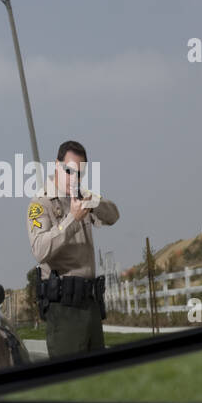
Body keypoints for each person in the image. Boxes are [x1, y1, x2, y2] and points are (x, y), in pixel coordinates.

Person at [26, 140, 119, 358]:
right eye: (69, 171)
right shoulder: (39, 204)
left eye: (80, 172)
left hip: (91, 304)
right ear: (56, 165)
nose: (74, 177)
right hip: (64, 309)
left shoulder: (81, 196)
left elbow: (114, 215)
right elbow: (39, 249)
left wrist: (93, 203)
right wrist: (71, 220)